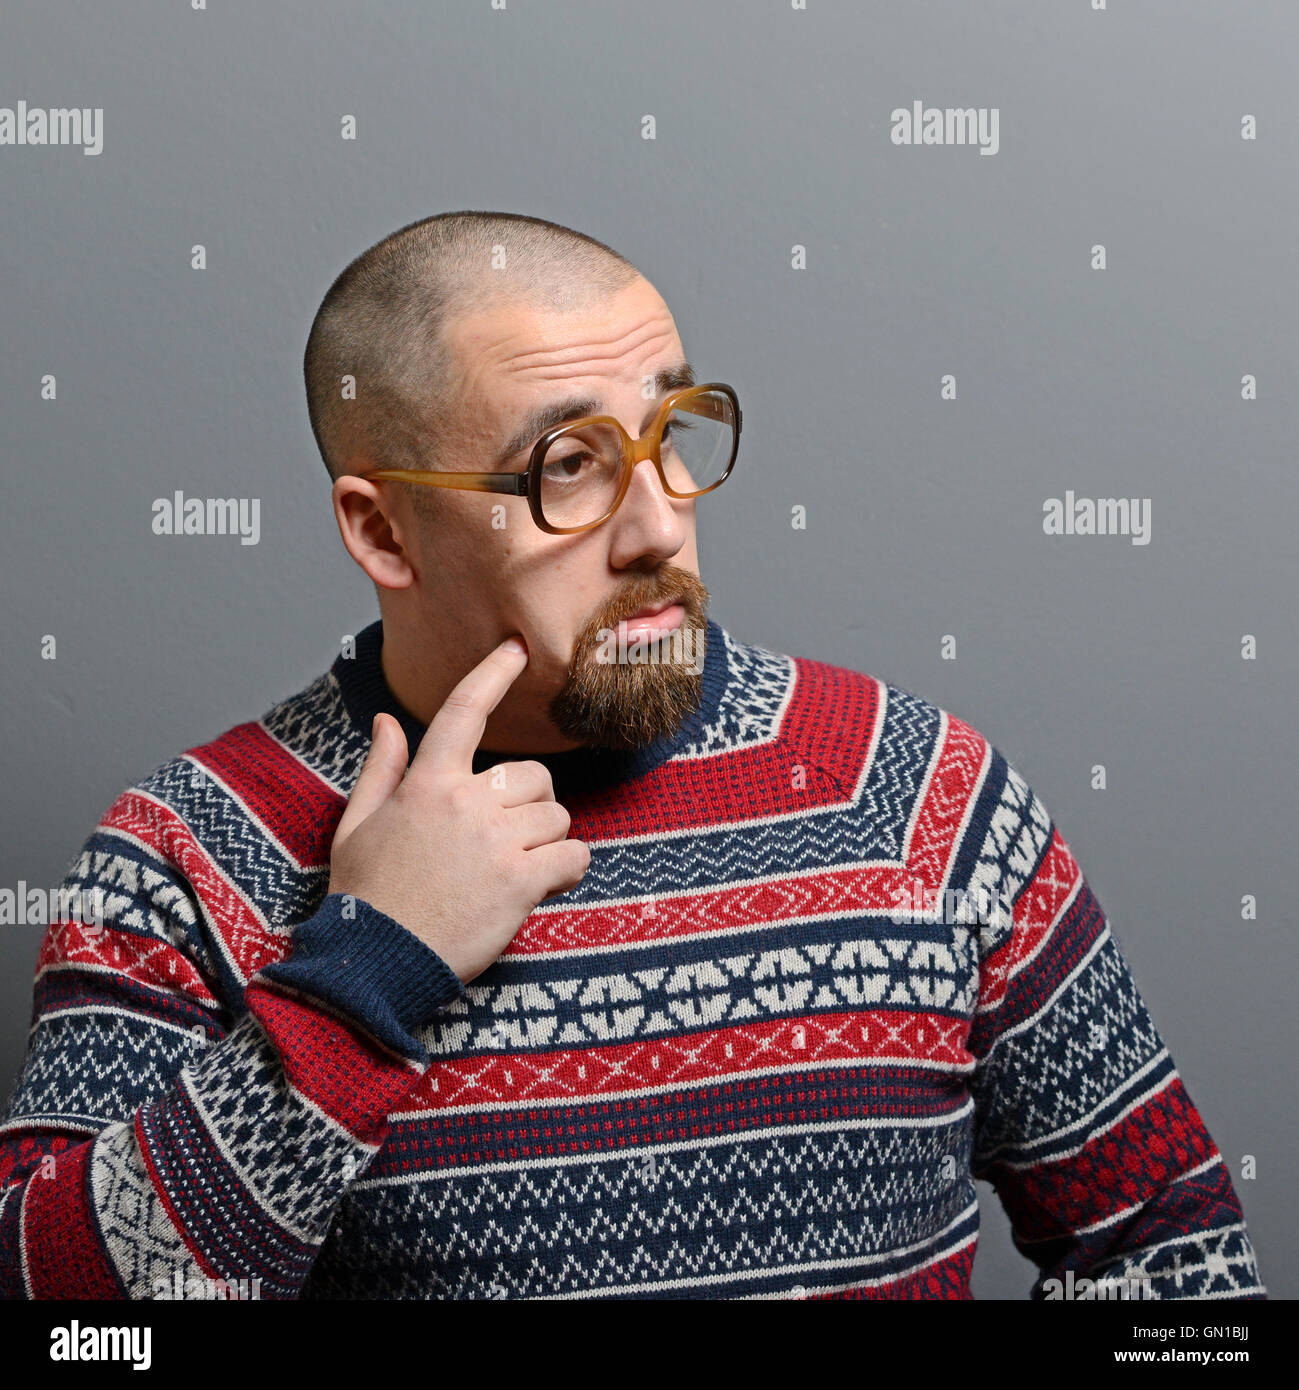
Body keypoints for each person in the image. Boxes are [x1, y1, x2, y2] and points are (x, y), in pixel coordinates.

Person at [0, 211, 1264, 1300]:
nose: (661, 524)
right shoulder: (190, 853)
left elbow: (1173, 1258)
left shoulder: (916, 785)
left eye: (673, 433)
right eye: (570, 467)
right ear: (385, 531)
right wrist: (363, 972)